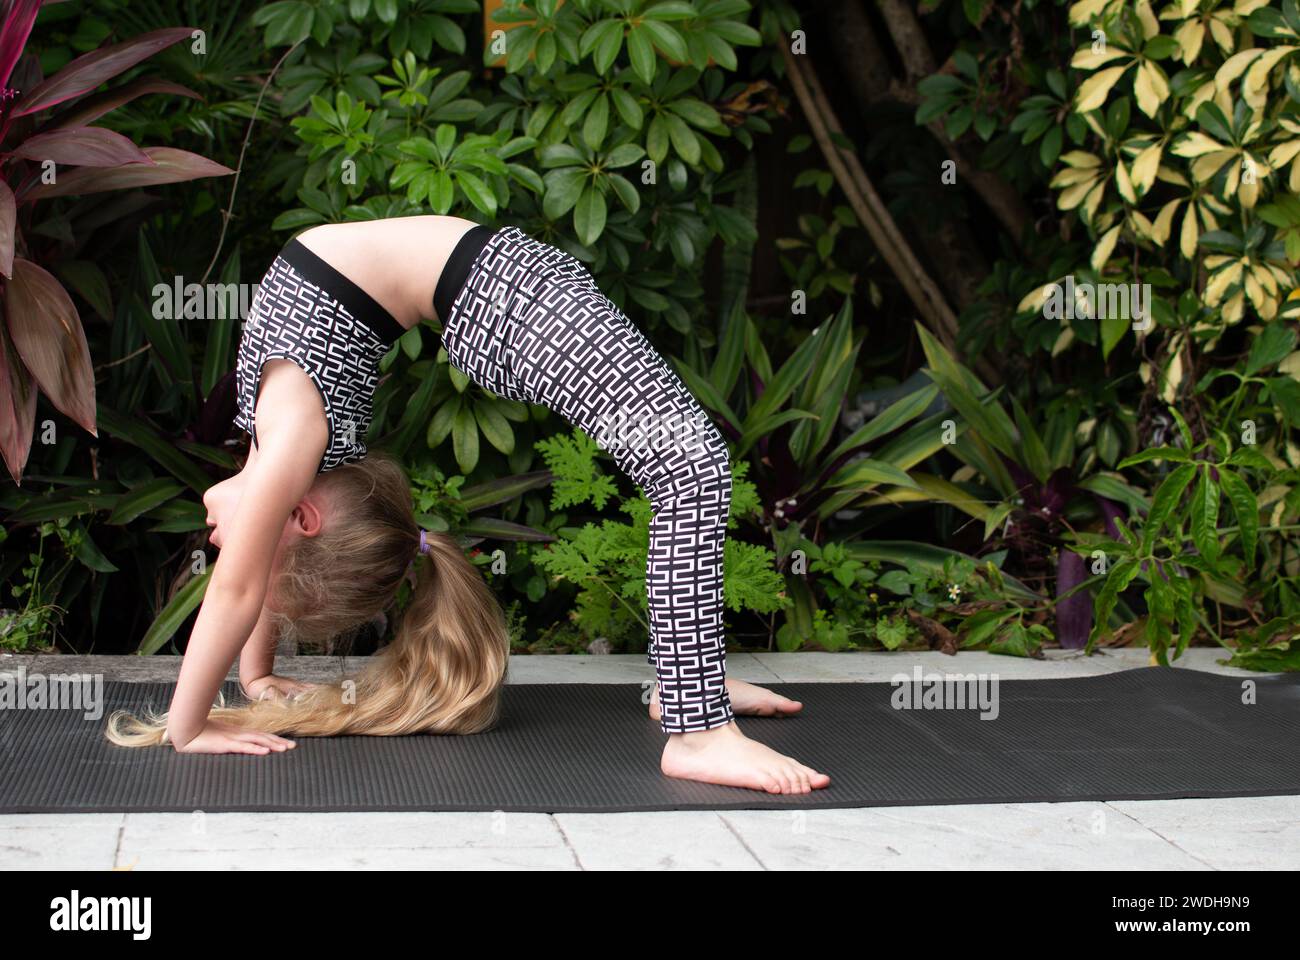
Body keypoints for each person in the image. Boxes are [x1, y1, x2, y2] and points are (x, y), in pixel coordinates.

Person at [106, 216, 830, 795]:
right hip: (500, 292)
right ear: (299, 517)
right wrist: (202, 715)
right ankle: (695, 724)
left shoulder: (284, 440)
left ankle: (688, 699)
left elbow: (248, 579)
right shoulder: (294, 442)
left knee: (688, 463)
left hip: (497, 288)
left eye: (235, 541)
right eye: (243, 543)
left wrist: (227, 697)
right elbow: (248, 578)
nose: (218, 540)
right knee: (692, 465)